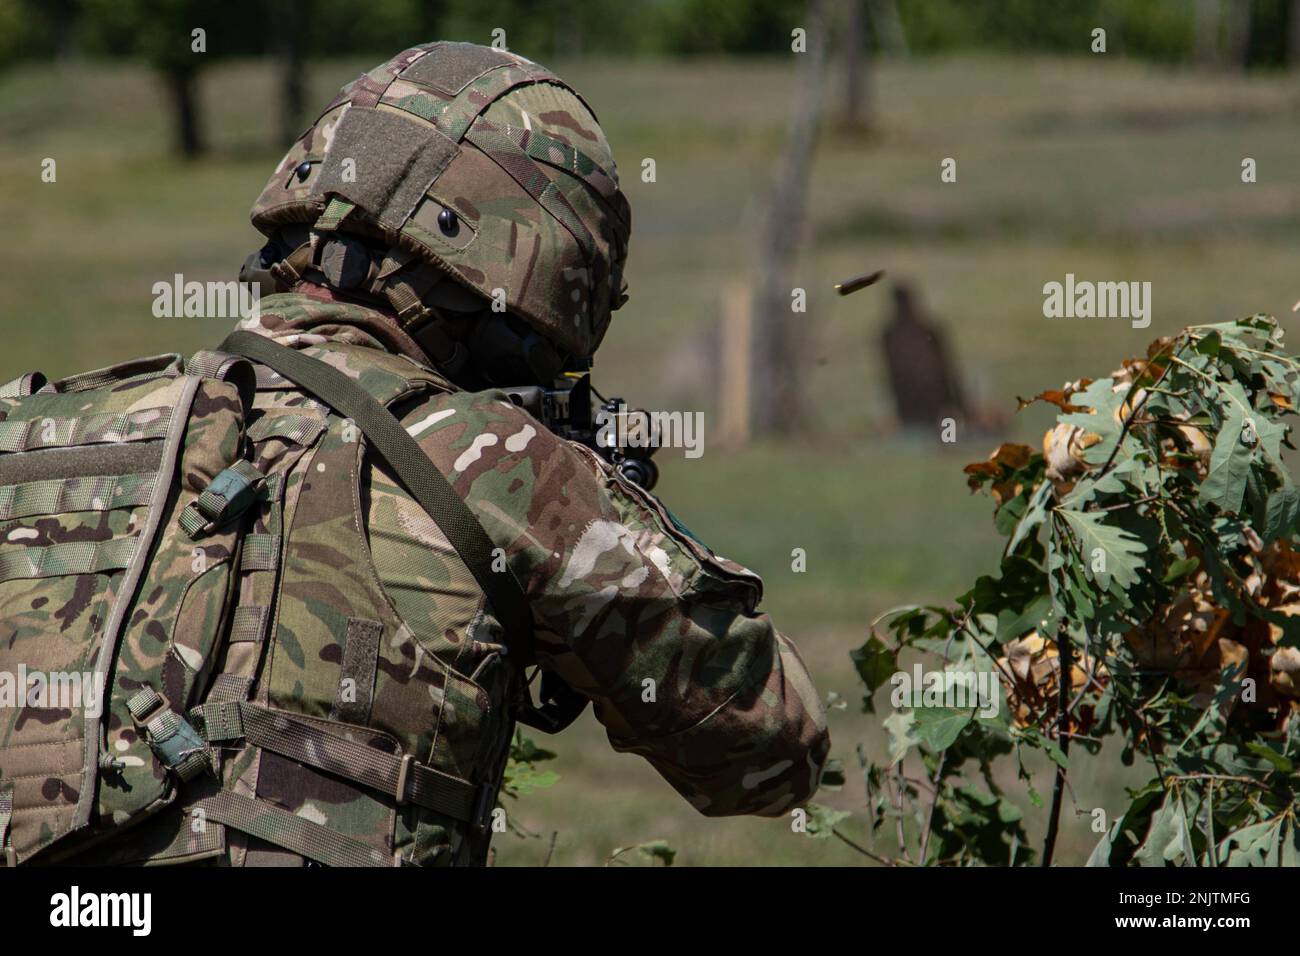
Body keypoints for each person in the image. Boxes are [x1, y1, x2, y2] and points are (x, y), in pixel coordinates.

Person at [3, 41, 829, 868]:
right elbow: (770, 751)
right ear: (533, 275)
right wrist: (604, 502)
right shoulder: (501, 465)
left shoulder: (36, 430)